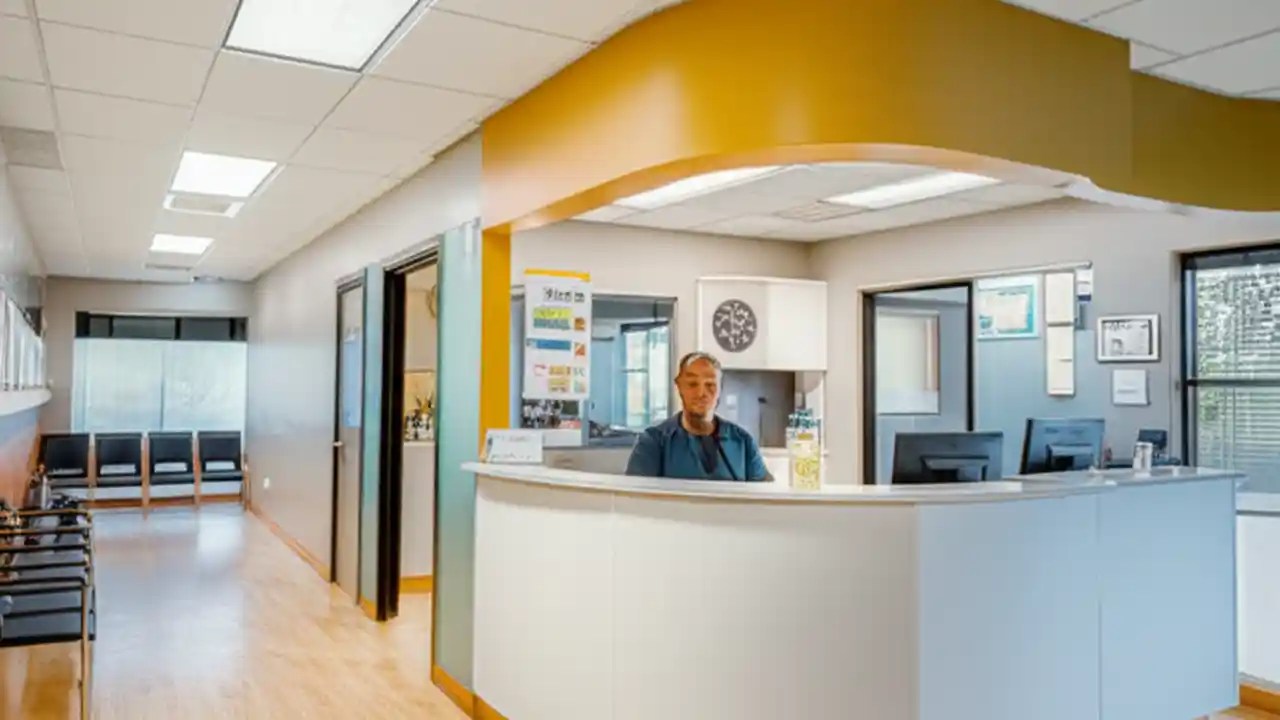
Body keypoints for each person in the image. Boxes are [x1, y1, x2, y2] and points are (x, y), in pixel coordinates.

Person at [625, 351, 770, 481]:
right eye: (693, 384)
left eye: (710, 385)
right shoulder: (653, 442)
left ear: (720, 389)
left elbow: (764, 498)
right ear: (679, 387)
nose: (701, 393)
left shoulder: (743, 442)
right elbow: (635, 501)